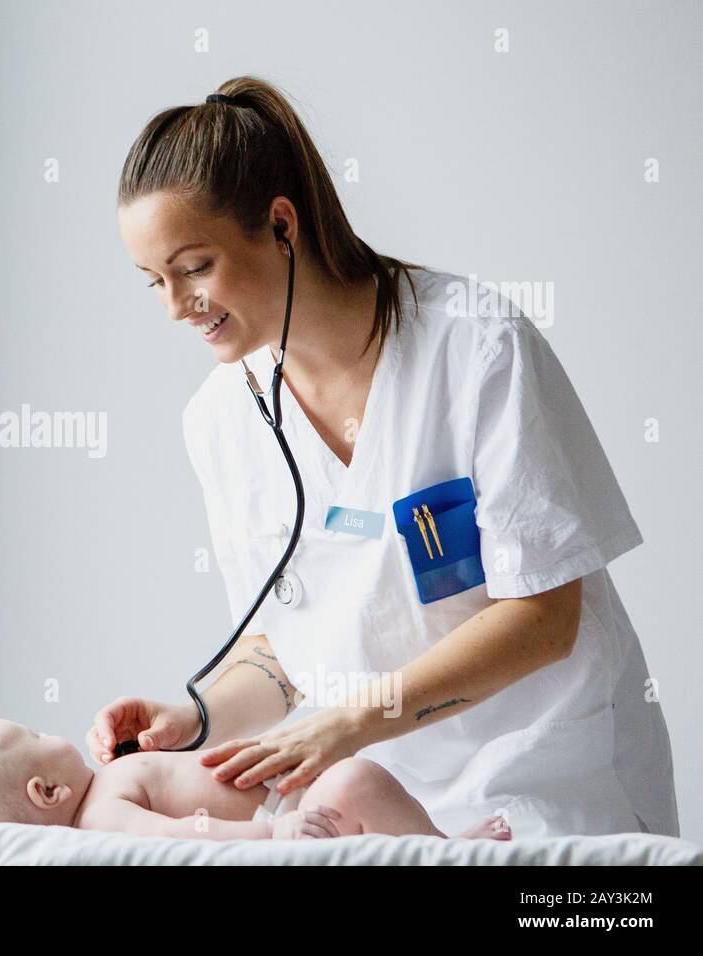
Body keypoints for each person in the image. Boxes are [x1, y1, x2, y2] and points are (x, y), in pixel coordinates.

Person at [91, 75, 679, 839]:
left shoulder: (474, 348)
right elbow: (288, 647)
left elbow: (543, 617)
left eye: (194, 267)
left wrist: (349, 725)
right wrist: (196, 713)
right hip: (374, 806)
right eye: (153, 282)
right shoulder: (220, 420)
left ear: (280, 224)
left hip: (539, 788)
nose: (175, 306)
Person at [0, 719, 512, 841]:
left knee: (355, 789)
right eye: (34, 735)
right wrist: (273, 841)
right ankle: (444, 857)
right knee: (354, 782)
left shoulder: (107, 786)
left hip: (289, 809)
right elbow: (180, 842)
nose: (49, 731)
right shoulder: (101, 814)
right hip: (282, 827)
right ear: (46, 792)